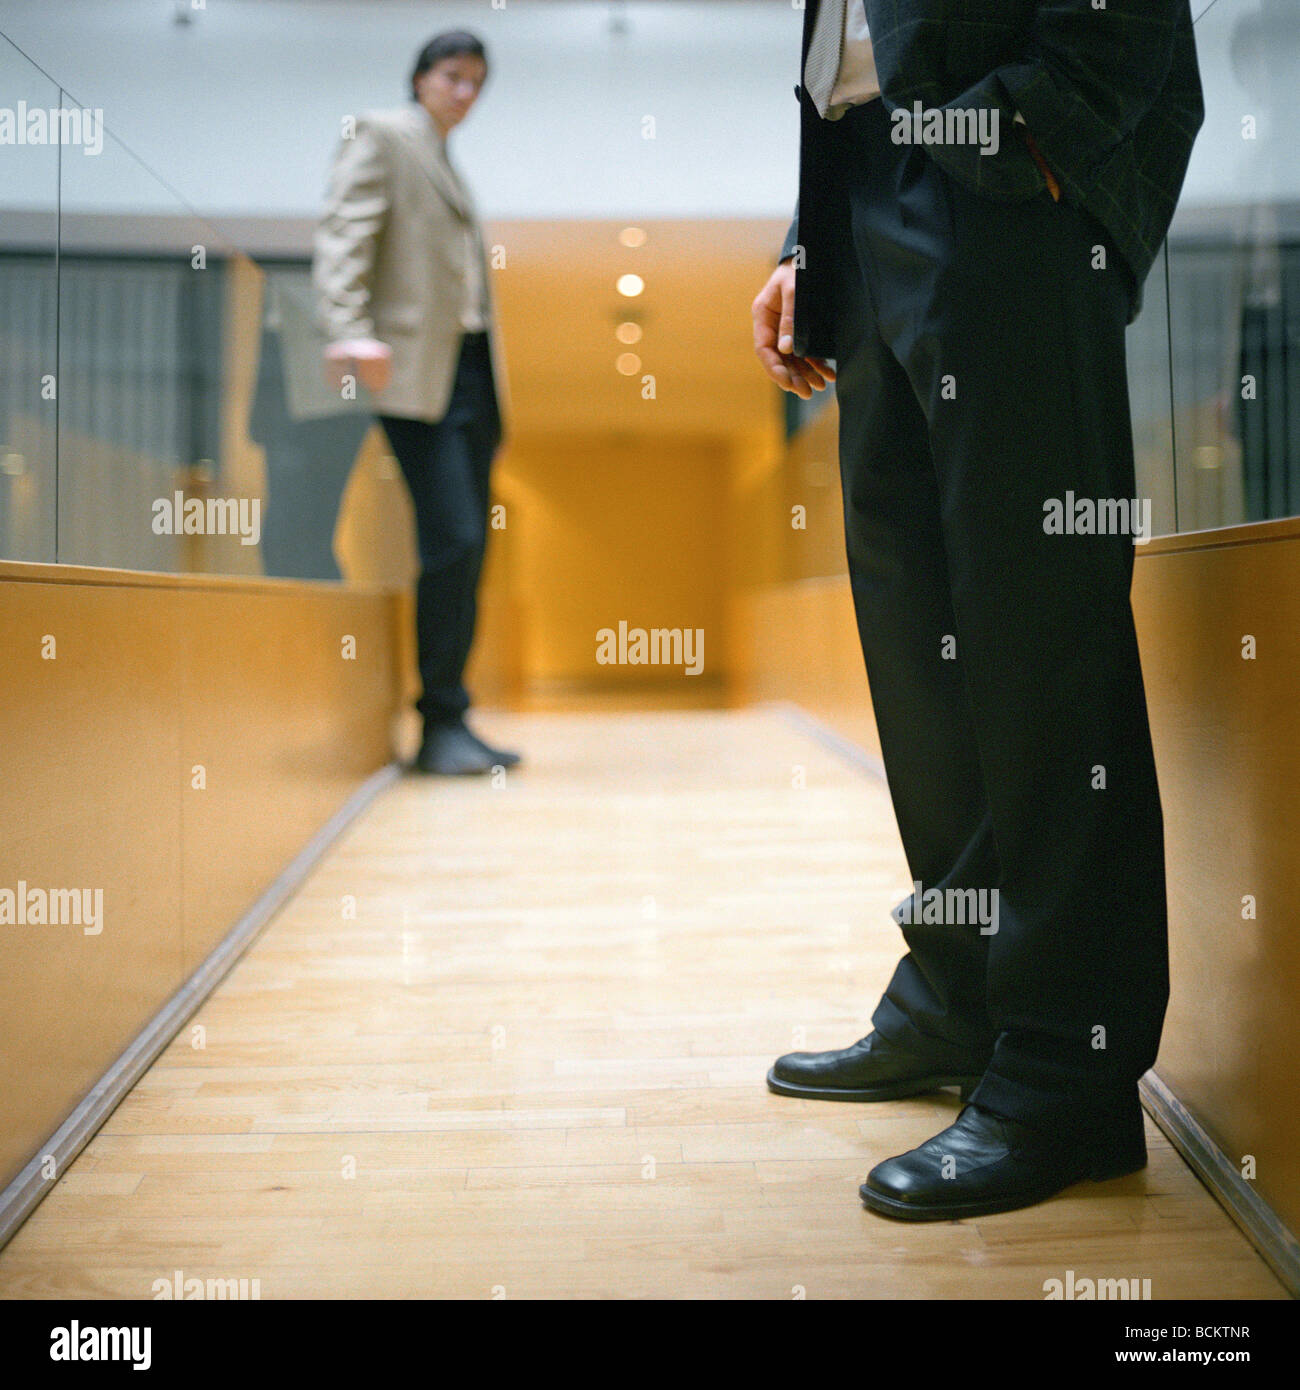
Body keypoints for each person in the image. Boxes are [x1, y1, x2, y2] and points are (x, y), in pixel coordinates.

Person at [752, 1, 1203, 1220]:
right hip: (866, 188)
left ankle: (1069, 1072)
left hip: (1005, 184)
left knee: (1038, 639)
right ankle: (959, 993)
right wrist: (811, 238)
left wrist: (1044, 138)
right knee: (920, 647)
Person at [314, 30, 520, 775]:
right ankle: (437, 724)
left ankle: (451, 718)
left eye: (476, 82)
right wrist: (346, 331)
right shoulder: (383, 134)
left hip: (467, 378)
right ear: (422, 77)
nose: (464, 93)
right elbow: (343, 233)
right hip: (410, 372)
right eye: (452, 77)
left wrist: (493, 412)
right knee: (454, 539)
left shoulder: (445, 159)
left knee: (470, 550)